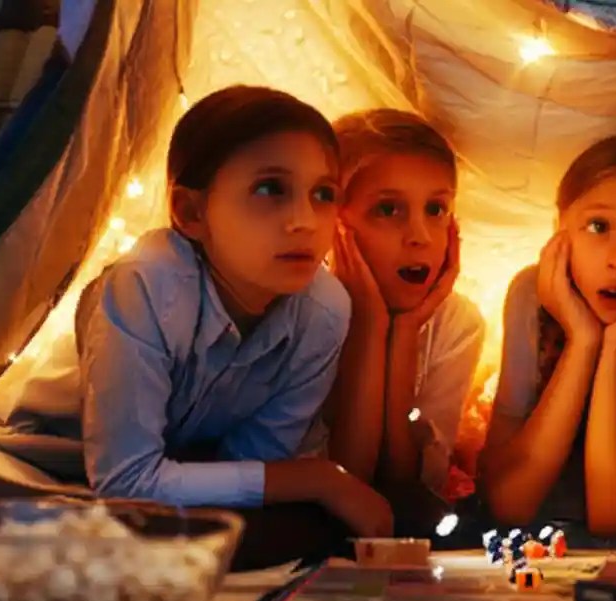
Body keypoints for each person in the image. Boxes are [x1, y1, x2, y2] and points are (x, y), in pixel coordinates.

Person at [75, 85, 392, 539]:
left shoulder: (323, 310)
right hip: (54, 478)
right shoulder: (144, 286)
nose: (304, 220)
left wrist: (297, 481)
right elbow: (124, 482)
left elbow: (254, 469)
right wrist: (319, 478)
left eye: (323, 194)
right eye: (270, 189)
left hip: (177, 503)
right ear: (191, 212)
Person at [478, 131, 616, 545]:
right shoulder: (535, 298)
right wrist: (582, 341)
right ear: (559, 237)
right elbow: (508, 503)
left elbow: (613, 519)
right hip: (537, 540)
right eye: (598, 227)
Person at [315, 109, 484, 534]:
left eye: (436, 209)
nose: (421, 236)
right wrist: (370, 327)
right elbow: (349, 476)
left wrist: (404, 332)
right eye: (388, 209)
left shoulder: (456, 322)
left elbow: (408, 483)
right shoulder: (304, 309)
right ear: (337, 223)